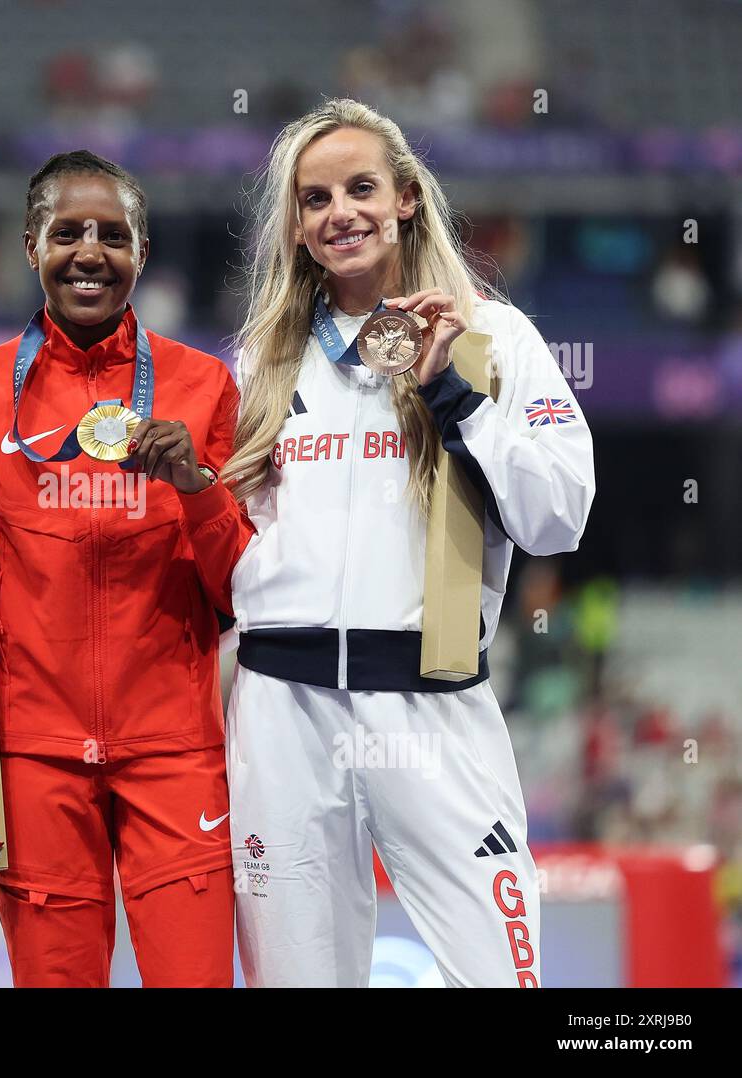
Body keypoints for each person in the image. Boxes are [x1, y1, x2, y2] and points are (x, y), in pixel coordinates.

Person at [216, 99, 595, 987]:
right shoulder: (264, 357)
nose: (339, 212)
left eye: (359, 188)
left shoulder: (492, 338)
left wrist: (455, 400)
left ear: (407, 199)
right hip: (280, 712)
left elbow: (559, 517)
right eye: (315, 200)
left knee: (501, 977)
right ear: (299, 228)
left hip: (429, 702)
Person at [0, 151, 249, 987]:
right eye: (67, 233)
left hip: (175, 755)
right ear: (31, 247)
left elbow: (241, 590)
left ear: (142, 251)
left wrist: (197, 490)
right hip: (31, 760)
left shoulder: (203, 390)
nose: (89, 252)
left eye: (112, 235)